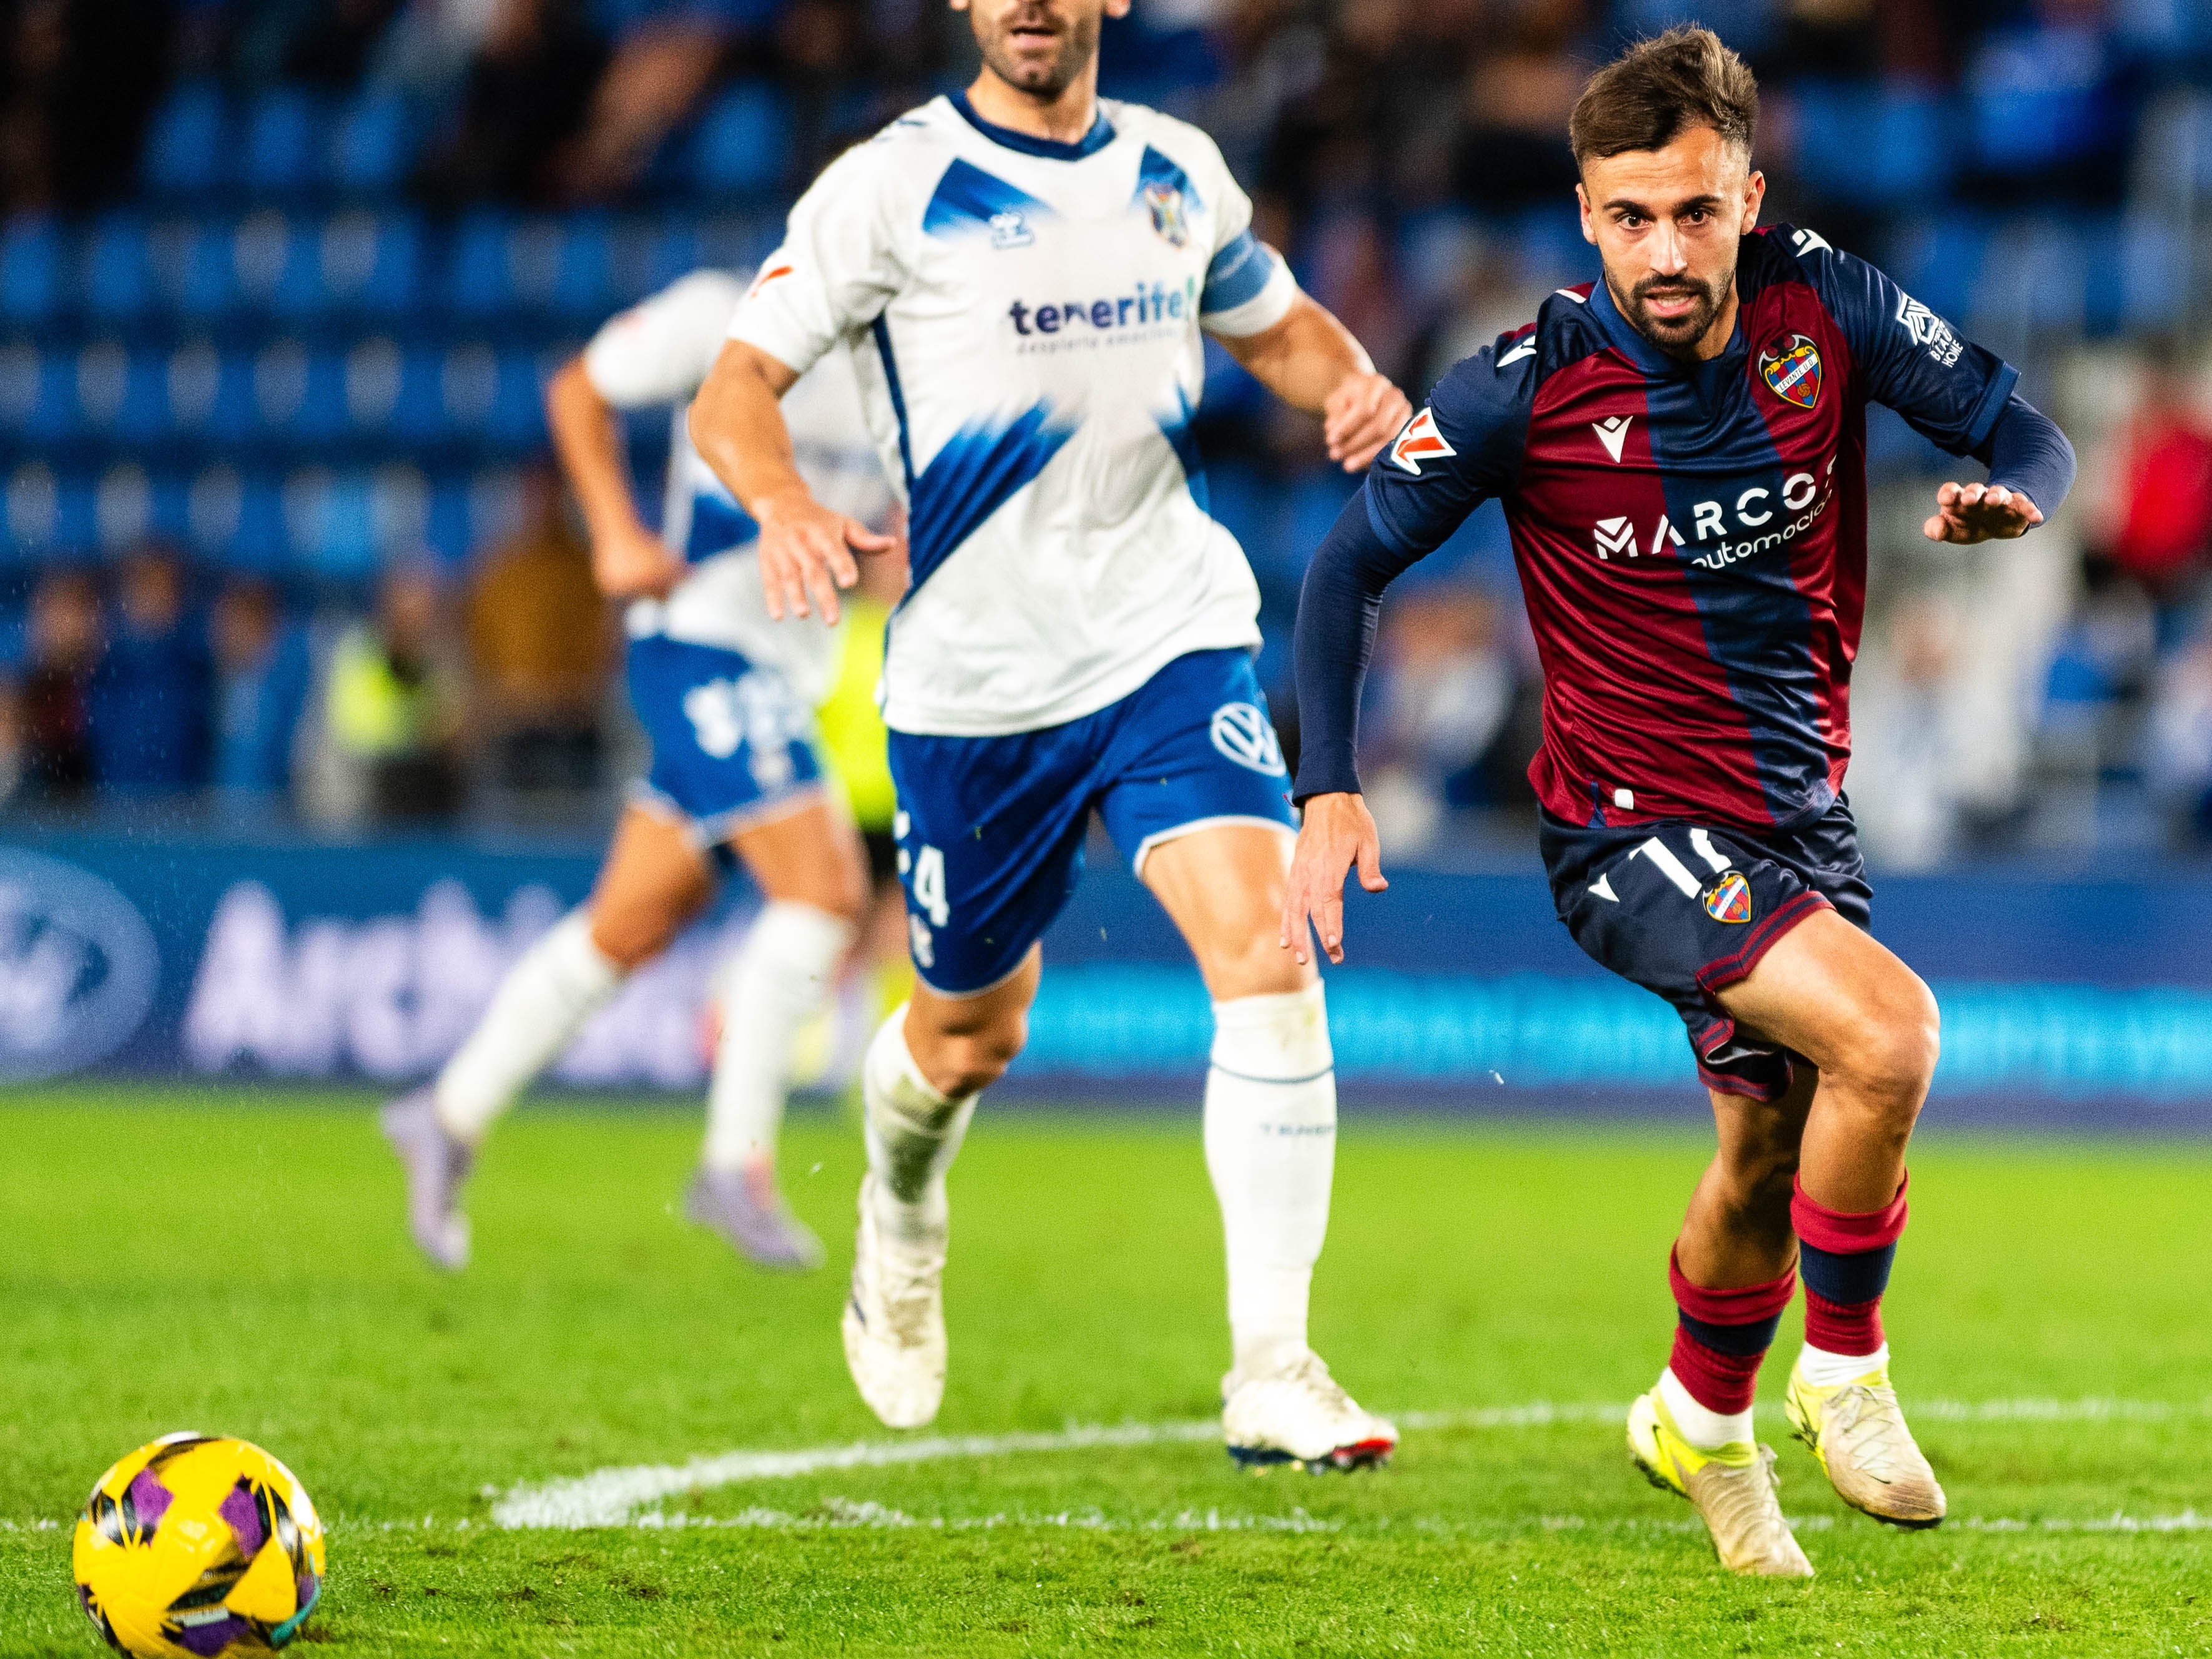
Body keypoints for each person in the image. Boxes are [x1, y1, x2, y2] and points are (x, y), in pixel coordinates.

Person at [1281, 27, 2075, 1575]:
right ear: (1586, 215)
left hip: (1795, 818)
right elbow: (1343, 566)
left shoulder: (1823, 304)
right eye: (1629, 216)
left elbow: (2015, 418)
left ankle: (1695, 1422)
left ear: (1746, 199)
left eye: (1695, 212)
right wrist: (1326, 783)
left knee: (1768, 1152)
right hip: (1626, 826)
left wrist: (2021, 491)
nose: (1664, 248)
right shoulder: (1524, 387)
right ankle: (1841, 1378)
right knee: (1891, 1034)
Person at [687, 0, 1412, 1468]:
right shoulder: (885, 185)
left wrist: (1348, 384)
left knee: (1269, 953)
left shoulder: (1175, 170)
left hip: (1167, 631)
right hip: (976, 686)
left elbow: (1272, 325)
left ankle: (1271, 1366)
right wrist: (779, 502)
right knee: (968, 1034)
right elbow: (733, 389)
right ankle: (897, 1213)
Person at [381, 268, 895, 1272]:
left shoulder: (904, 375)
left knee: (630, 921)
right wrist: (616, 533)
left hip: (781, 677)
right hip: (700, 646)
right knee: (825, 890)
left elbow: (881, 542)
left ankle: (448, 1115)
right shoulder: (725, 313)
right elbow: (579, 387)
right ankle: (733, 1164)